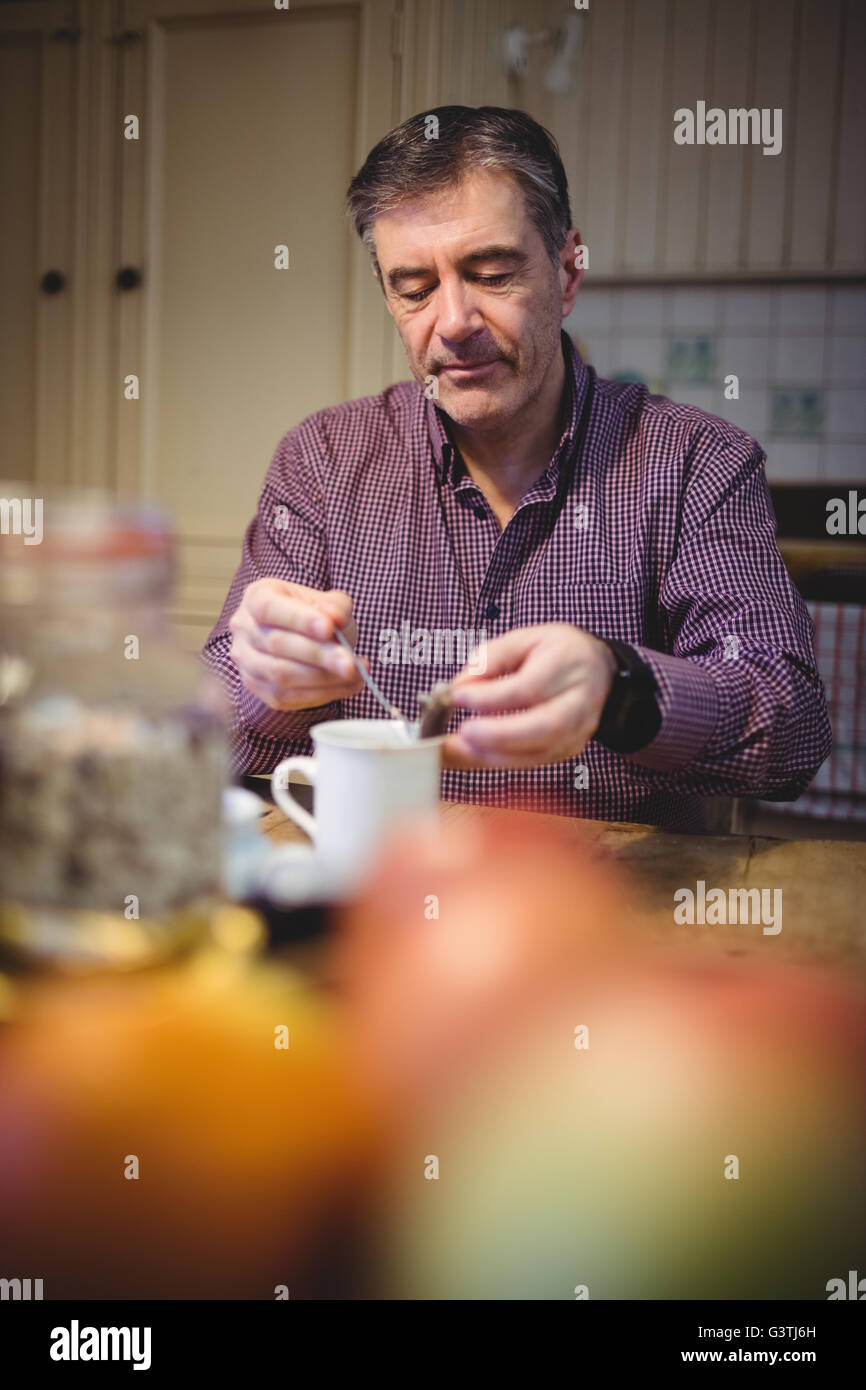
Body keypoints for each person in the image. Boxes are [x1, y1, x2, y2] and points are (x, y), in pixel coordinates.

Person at [202, 105, 830, 831]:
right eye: (415, 287)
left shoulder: (694, 462)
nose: (455, 321)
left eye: (492, 273)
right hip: (383, 906)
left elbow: (791, 730)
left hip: (609, 915)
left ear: (567, 272)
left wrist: (621, 689)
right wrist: (262, 682)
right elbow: (203, 726)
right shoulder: (323, 460)